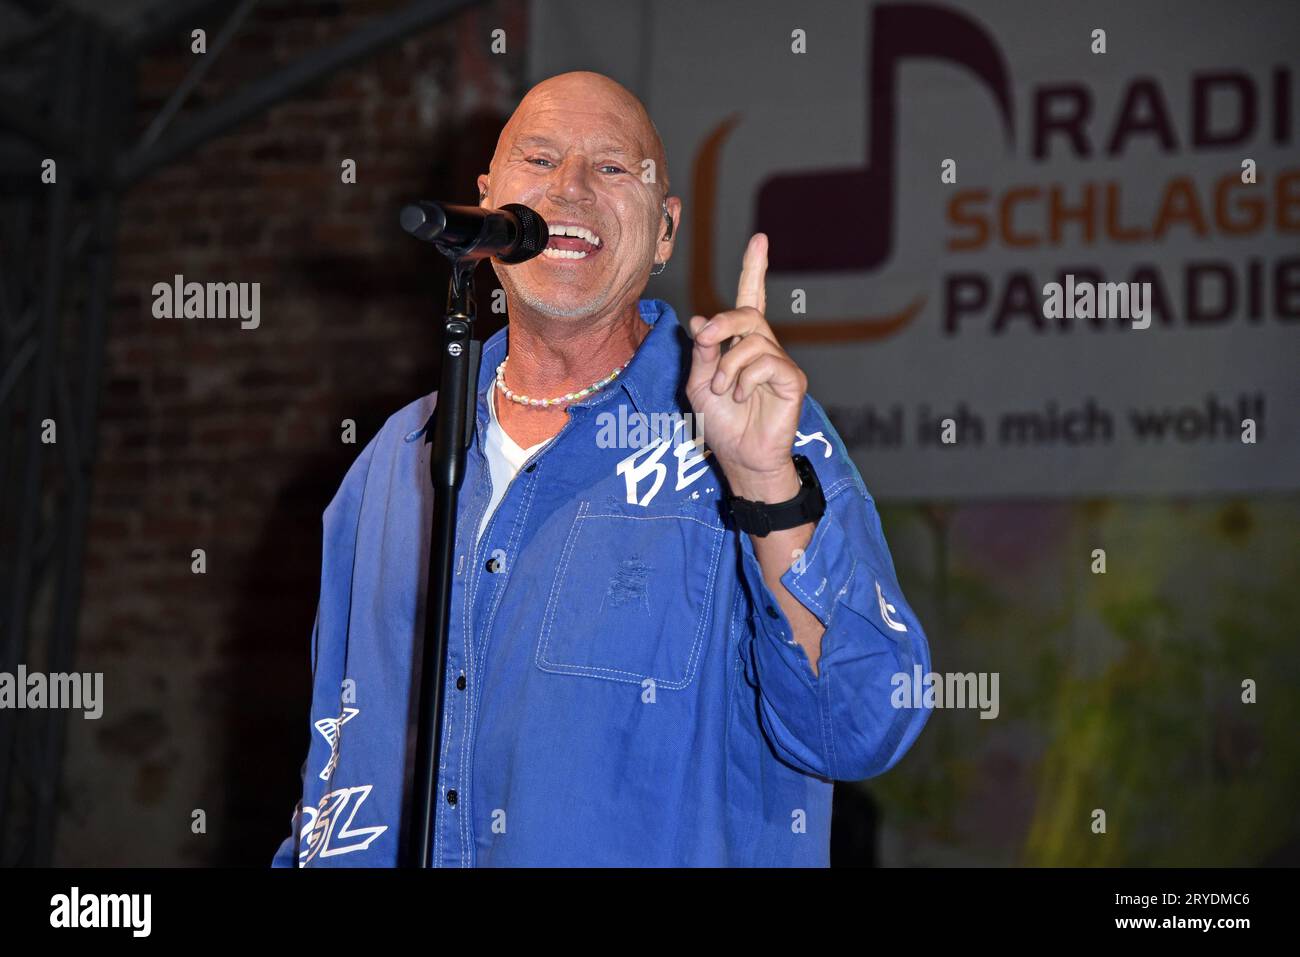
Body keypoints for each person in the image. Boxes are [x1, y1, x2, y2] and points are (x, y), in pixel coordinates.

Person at [272, 71, 931, 867]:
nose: (570, 189)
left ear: (664, 233)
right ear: (486, 201)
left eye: (613, 168)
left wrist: (761, 485)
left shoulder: (750, 432)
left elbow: (859, 724)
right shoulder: (390, 465)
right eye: (540, 159)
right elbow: (338, 786)